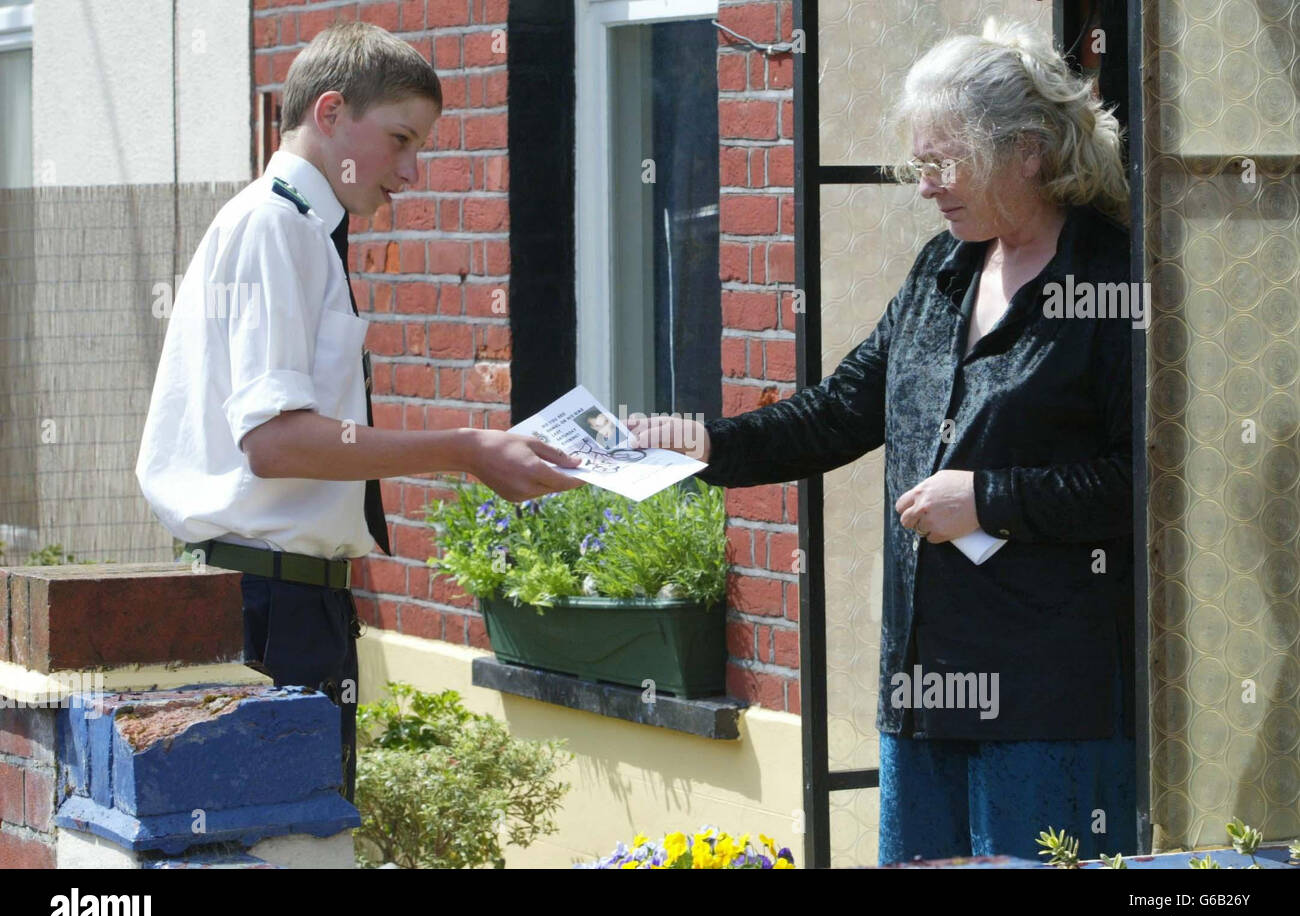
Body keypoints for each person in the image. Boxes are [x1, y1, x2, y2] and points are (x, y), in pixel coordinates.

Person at [629, 20, 1137, 864]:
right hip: (924, 690)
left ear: (1028, 152)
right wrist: (707, 447)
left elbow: (1144, 481)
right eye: (920, 163)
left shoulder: (1113, 283)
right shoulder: (941, 272)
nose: (927, 186)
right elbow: (837, 414)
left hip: (1049, 704)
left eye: (946, 162)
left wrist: (988, 500)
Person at [135, 22, 583, 803]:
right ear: (333, 112)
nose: (412, 172)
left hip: (280, 598)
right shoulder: (278, 226)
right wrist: (469, 448)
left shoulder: (288, 224)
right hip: (269, 607)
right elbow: (275, 443)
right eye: (401, 139)